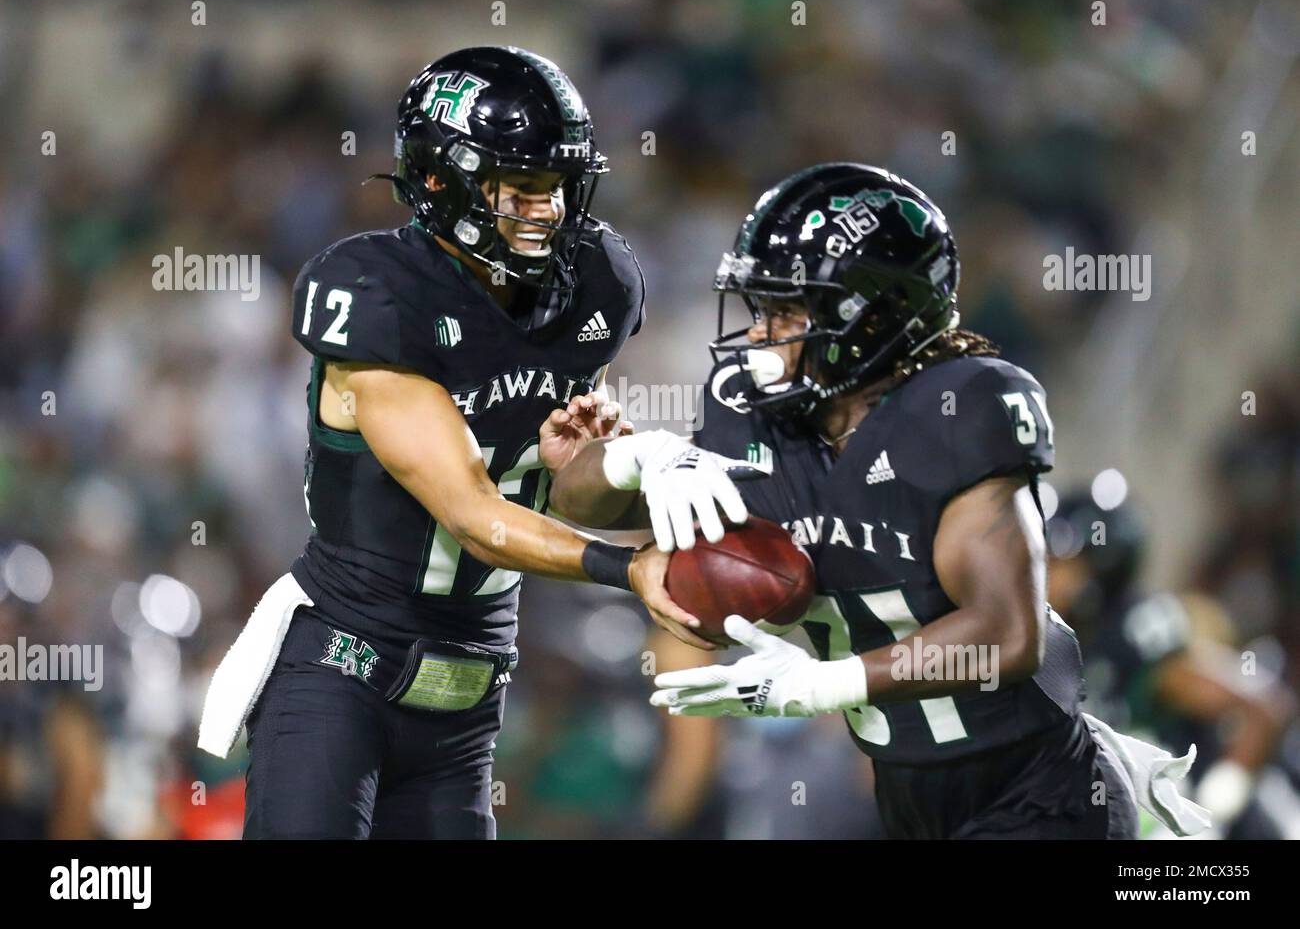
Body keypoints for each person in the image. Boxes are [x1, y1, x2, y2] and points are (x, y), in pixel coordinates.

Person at [198, 46, 745, 839]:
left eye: (556, 186)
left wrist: (624, 466)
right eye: (520, 187)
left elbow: (554, 485)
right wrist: (626, 568)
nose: (547, 209)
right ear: (438, 180)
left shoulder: (595, 285)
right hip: (343, 669)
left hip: (470, 691)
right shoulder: (377, 292)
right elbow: (469, 513)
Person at [547, 162, 1144, 838]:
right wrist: (635, 458)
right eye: (761, 308)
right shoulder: (752, 419)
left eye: (787, 311)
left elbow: (1007, 635)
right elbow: (581, 500)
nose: (760, 335)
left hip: (1039, 790)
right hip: (906, 796)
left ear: (873, 316)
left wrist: (824, 685)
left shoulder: (957, 412)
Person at [1047, 482, 1294, 836]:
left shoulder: (1134, 635)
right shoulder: (1059, 642)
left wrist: (1223, 797)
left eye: (1059, 562)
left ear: (1101, 565)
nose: (1044, 574)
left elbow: (1264, 708)